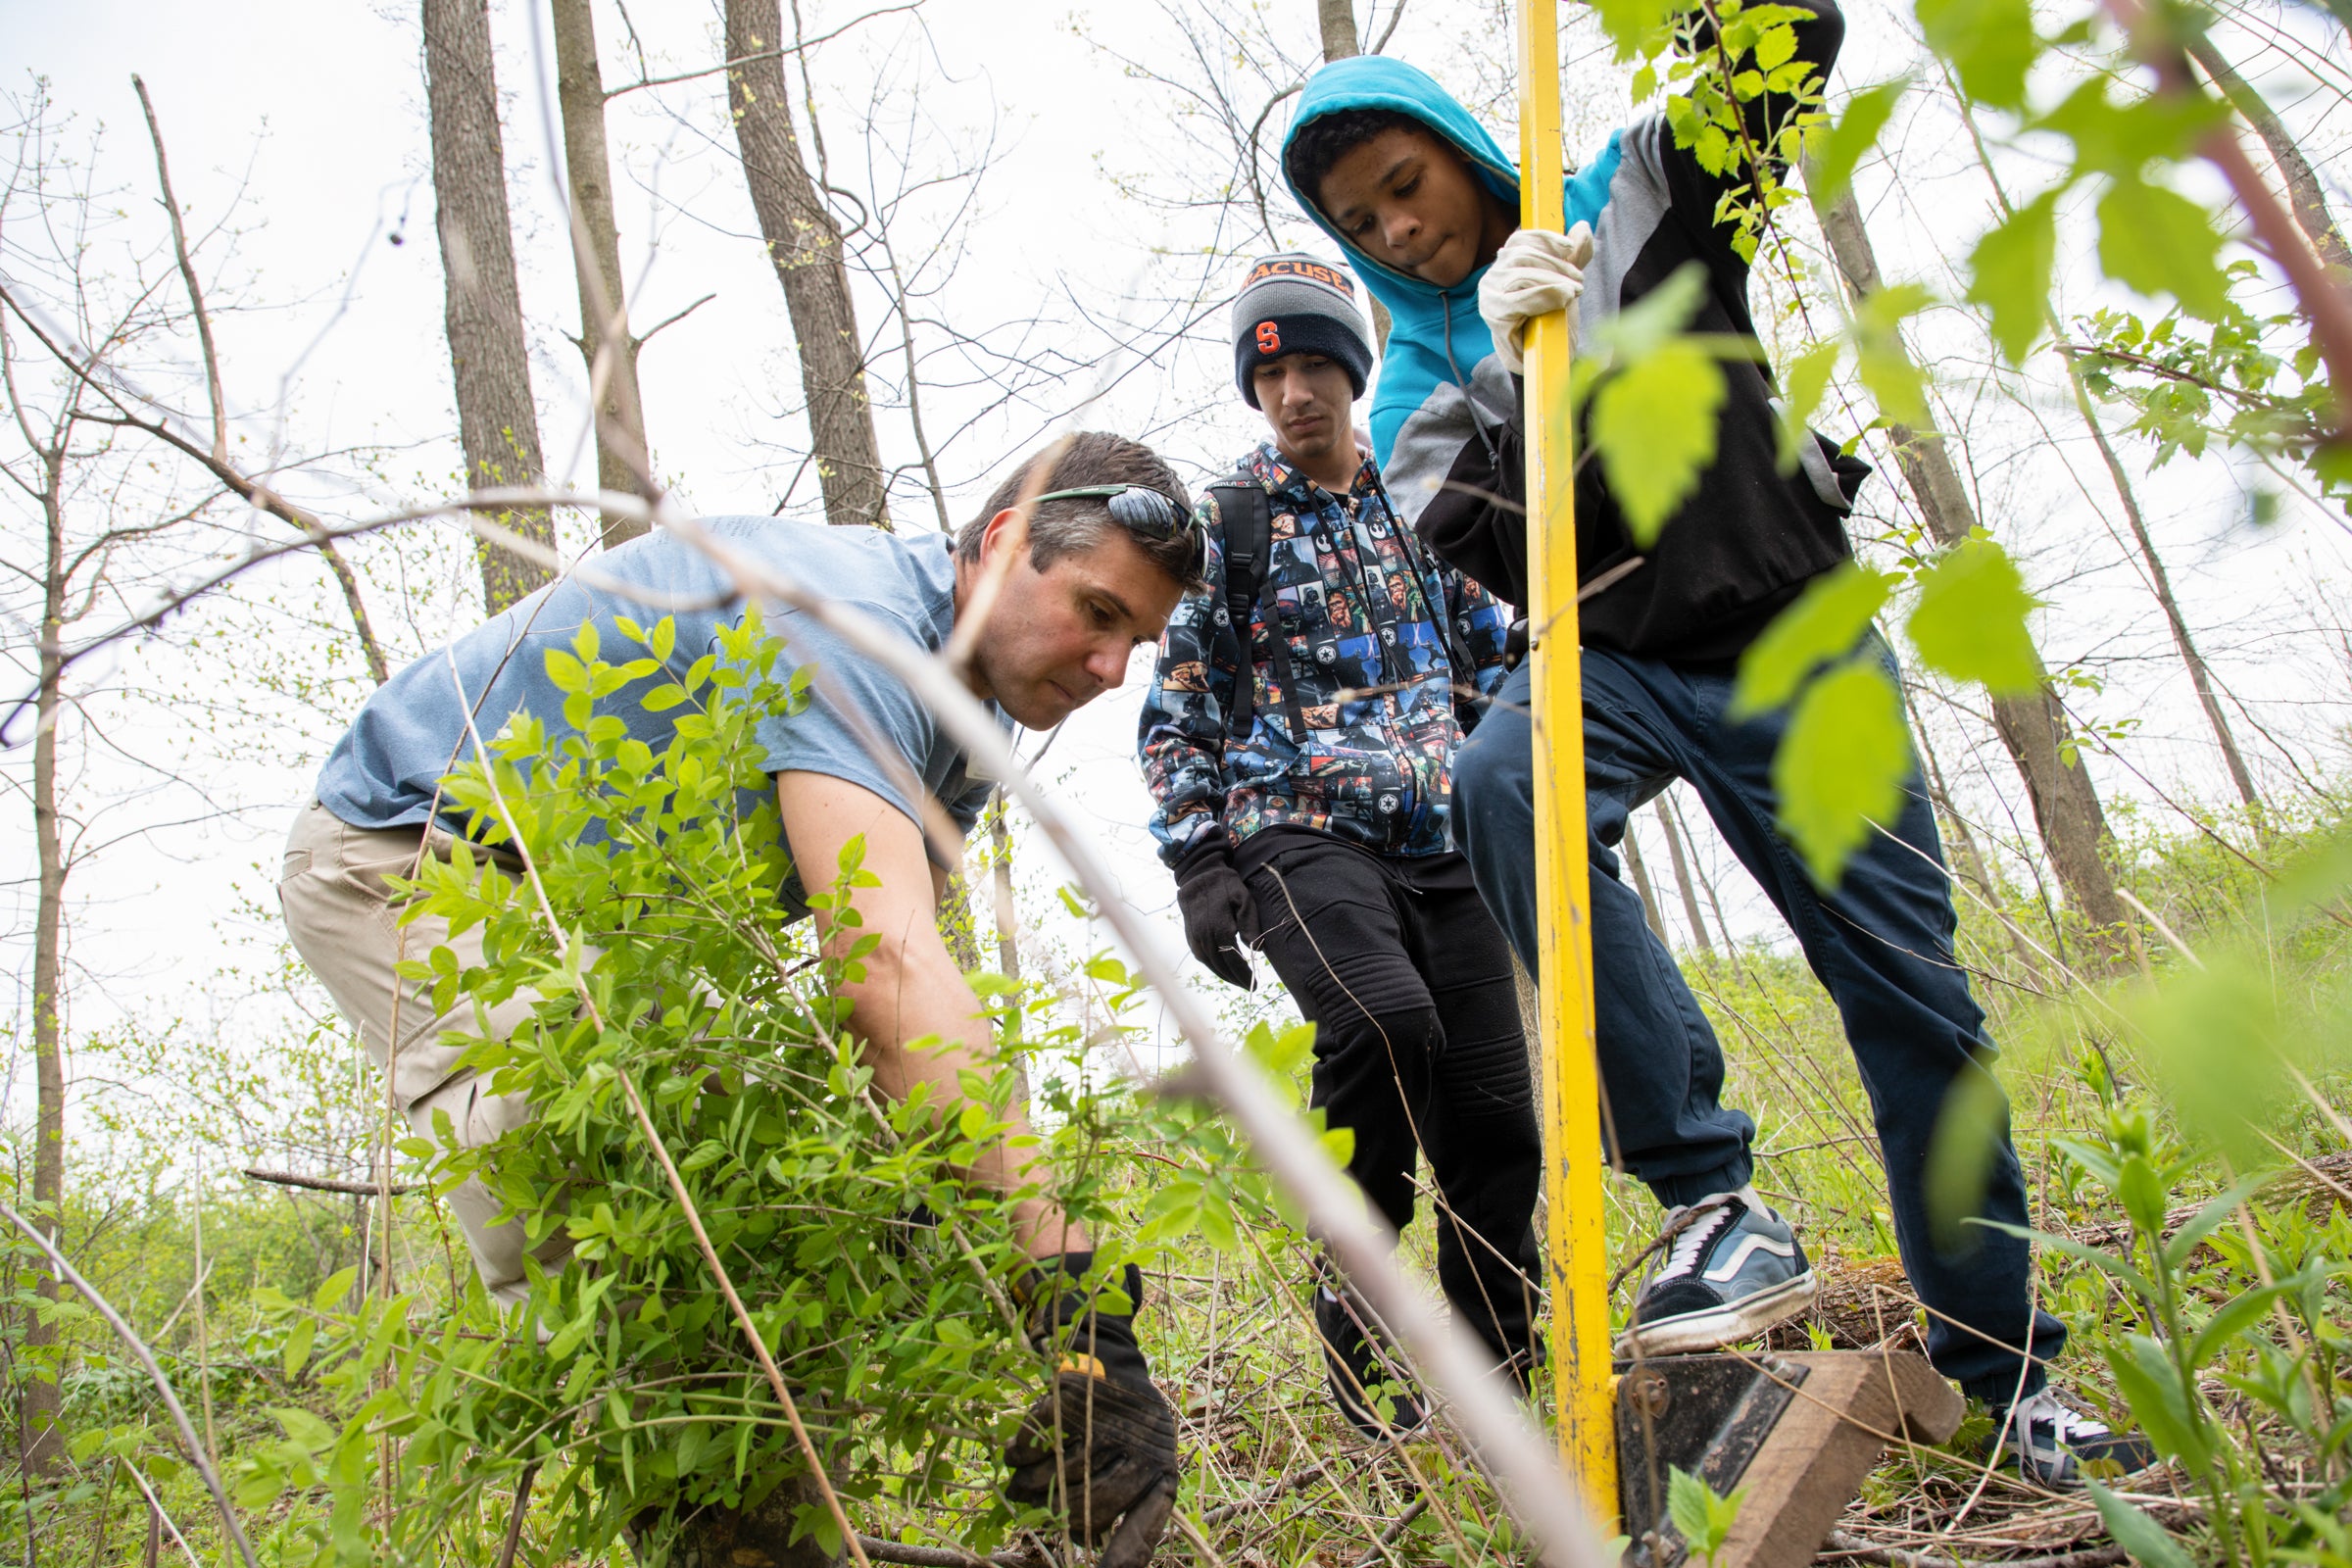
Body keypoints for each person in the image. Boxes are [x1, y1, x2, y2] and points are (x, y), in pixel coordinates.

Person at [1275, 8, 2155, 1487]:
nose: (1400, 230)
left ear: (1463, 149)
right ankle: (1712, 1196)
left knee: (1913, 1004)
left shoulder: (1632, 193)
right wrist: (1521, 365)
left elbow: (1791, 41)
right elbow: (1502, 545)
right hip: (1614, 659)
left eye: (1406, 185)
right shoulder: (1419, 392)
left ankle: (2007, 1386)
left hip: (1796, 639)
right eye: (1363, 223)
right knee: (1502, 777)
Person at [279, 433, 1196, 1565]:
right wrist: (1078, 1293)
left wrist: (944, 1213)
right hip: (420, 855)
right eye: (1098, 612)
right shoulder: (855, 628)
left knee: (814, 1207)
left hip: (605, 926)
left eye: (1136, 641)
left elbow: (903, 999)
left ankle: (786, 1526)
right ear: (1005, 545)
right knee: (619, 1203)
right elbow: (887, 972)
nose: (1111, 668)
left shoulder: (975, 719)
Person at [1135, 254, 1536, 1440]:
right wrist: (1199, 861)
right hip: (1297, 831)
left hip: (1448, 839)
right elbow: (1178, 709)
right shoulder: (1228, 524)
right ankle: (1359, 1328)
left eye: (1314, 365)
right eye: (1270, 375)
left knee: (1496, 1123)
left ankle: (1506, 1383)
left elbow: (1495, 657)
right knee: (1381, 1022)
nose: (1293, 393)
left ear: (1356, 373)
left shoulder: (1422, 499)